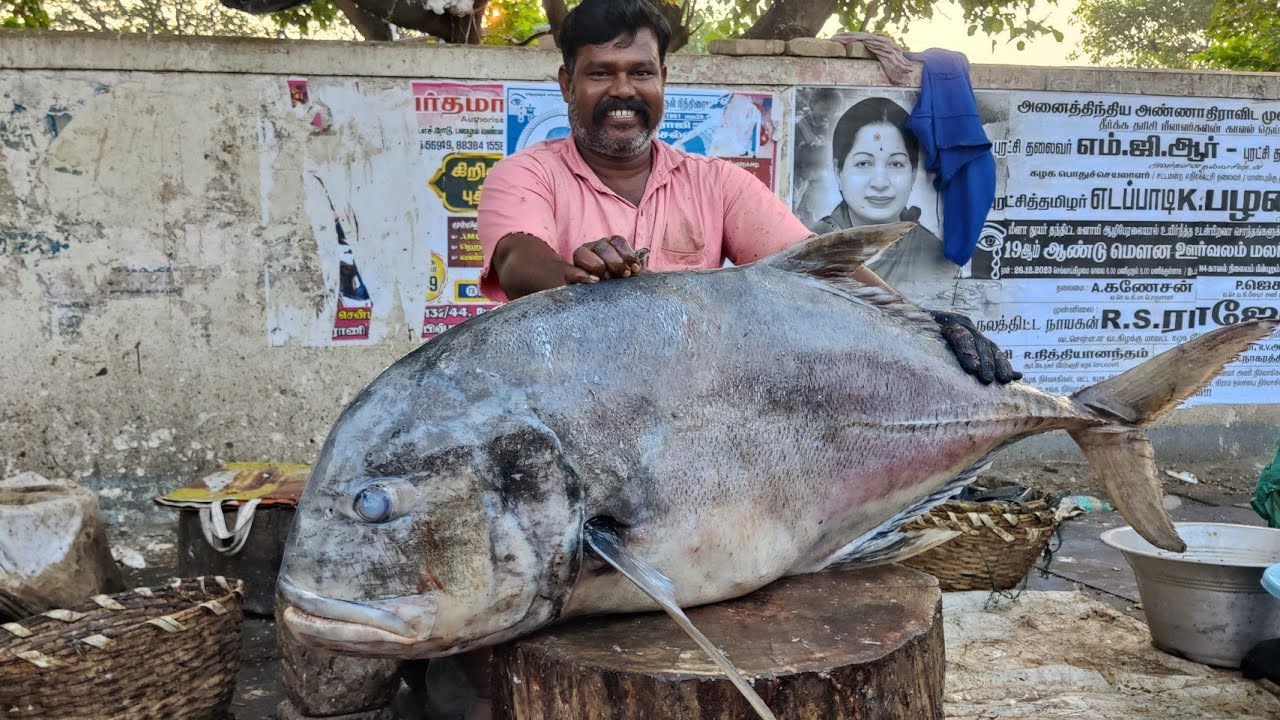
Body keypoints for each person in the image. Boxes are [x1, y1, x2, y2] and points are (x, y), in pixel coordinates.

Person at [476, 0, 1018, 386]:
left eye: (640, 72)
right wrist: (577, 278)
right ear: (567, 83)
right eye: (600, 74)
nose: (623, 90)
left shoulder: (717, 183)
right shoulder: (526, 174)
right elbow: (519, 260)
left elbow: (817, 270)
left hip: (694, 411)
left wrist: (929, 326)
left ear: (663, 79)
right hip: (566, 405)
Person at [812, 97, 959, 291]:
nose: (880, 183)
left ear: (913, 174)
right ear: (838, 172)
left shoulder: (935, 258)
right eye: (863, 163)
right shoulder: (809, 248)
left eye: (895, 164)